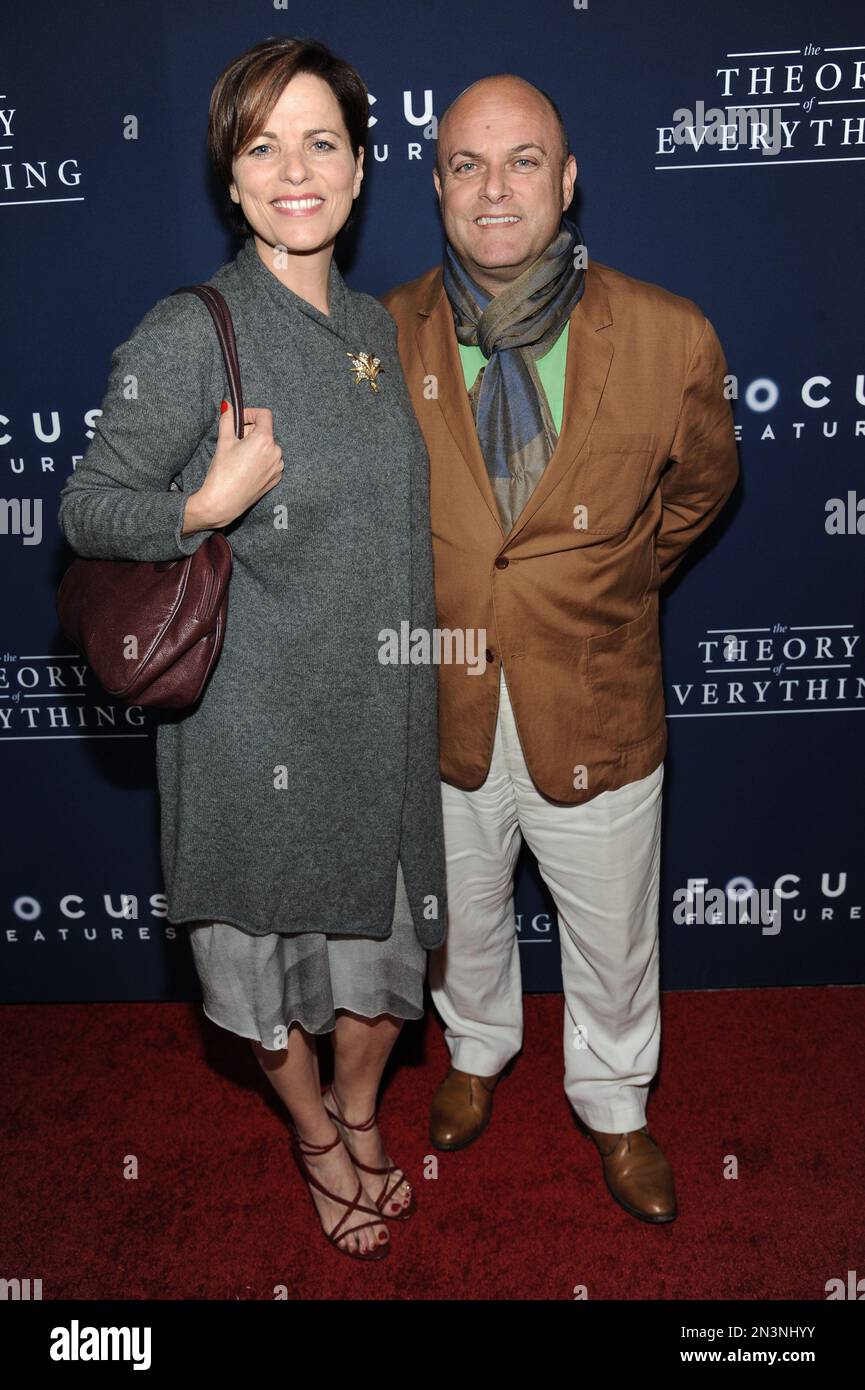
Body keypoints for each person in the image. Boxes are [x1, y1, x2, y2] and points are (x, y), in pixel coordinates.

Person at [58, 37, 447, 1260]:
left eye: (321, 141)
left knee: (382, 980)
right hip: (251, 737)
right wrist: (199, 506)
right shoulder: (193, 330)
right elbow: (85, 506)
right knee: (268, 991)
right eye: (263, 145)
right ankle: (316, 1138)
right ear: (231, 178)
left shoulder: (377, 326)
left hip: (378, 728)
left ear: (357, 167)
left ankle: (355, 1106)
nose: (296, 169)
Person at [382, 73, 739, 1224]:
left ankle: (617, 1101)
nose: (495, 189)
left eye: (523, 160)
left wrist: (605, 585)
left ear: (568, 179)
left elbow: (696, 493)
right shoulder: (375, 340)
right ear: (435, 183)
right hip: (440, 703)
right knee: (462, 920)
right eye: (467, 164)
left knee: (611, 935)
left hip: (596, 694)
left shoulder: (670, 335)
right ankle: (477, 1050)